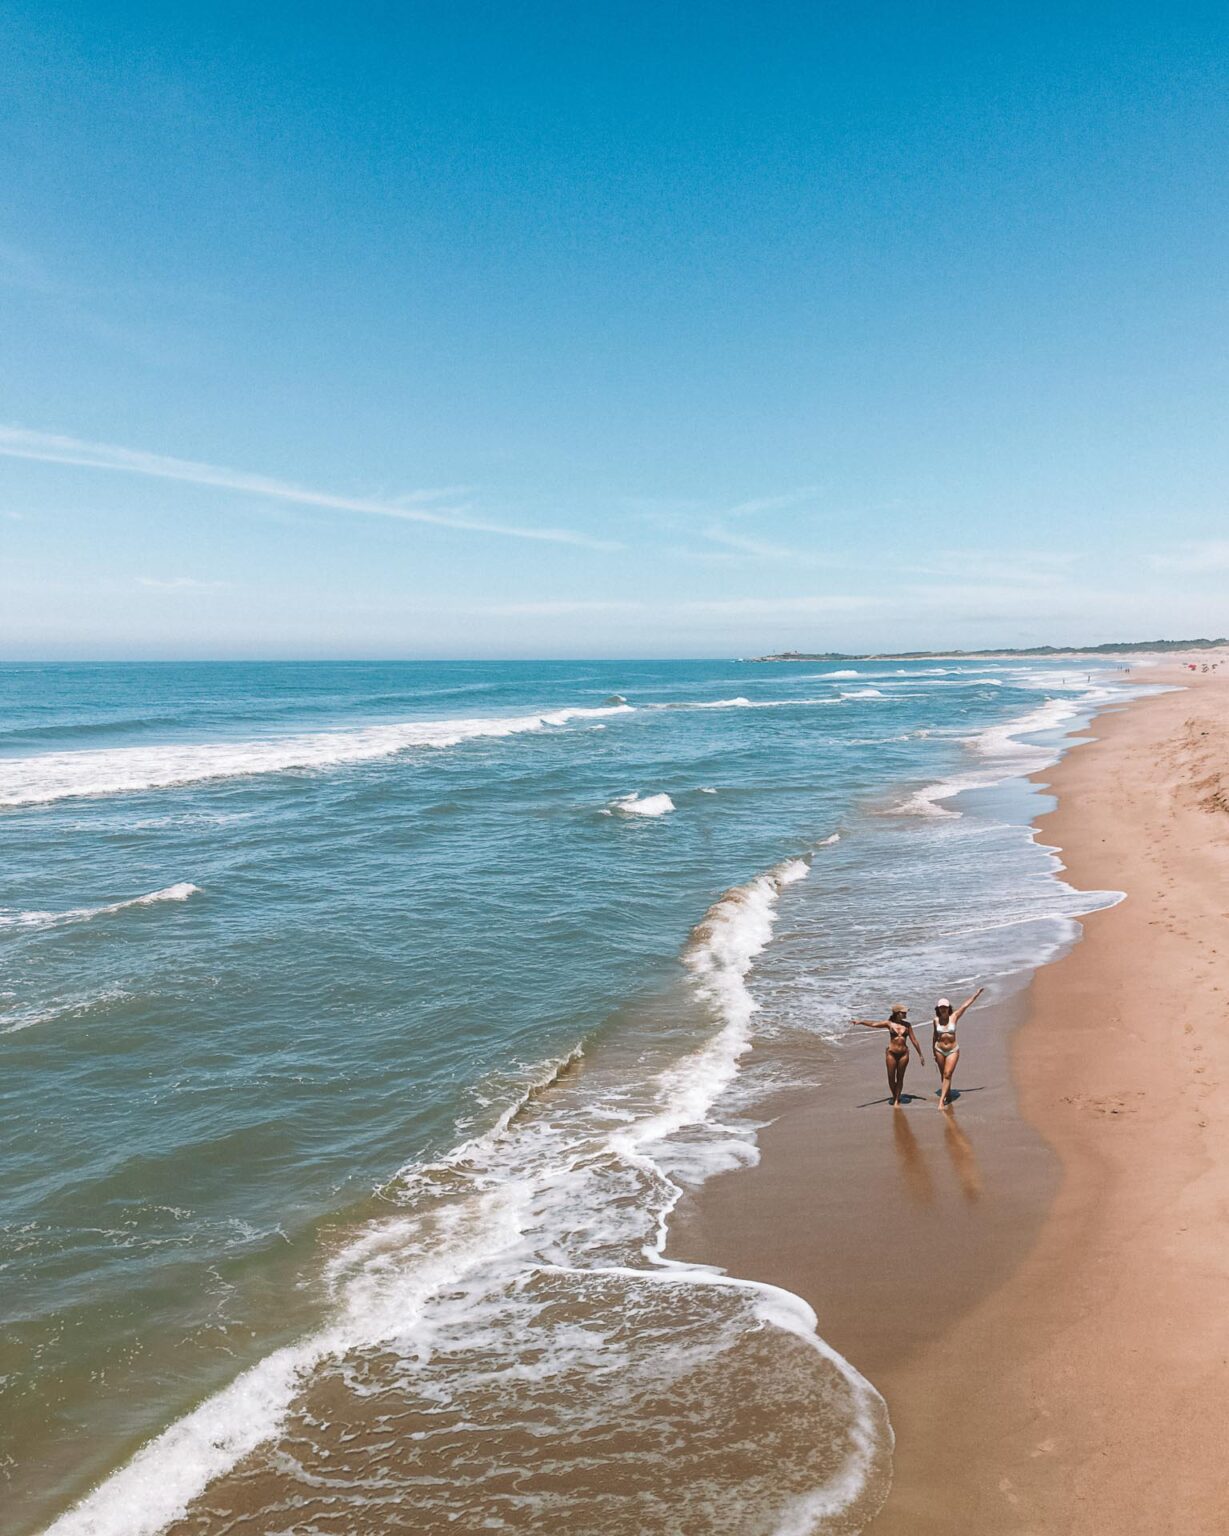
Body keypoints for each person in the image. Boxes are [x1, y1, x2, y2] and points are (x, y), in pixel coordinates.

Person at [853, 1003, 923, 1106]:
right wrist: (861, 1022)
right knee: (891, 1077)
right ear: (897, 1013)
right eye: (903, 1012)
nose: (905, 1014)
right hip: (891, 1053)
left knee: (900, 1077)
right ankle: (895, 1096)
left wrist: (920, 1054)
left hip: (904, 1054)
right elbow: (873, 1024)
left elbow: (914, 1040)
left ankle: (896, 1100)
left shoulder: (907, 1025)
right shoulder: (889, 1024)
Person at [931, 987, 985, 1108]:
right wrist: (933, 1052)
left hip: (952, 1050)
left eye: (945, 1007)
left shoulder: (954, 1017)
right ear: (938, 1009)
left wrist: (976, 994)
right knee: (943, 1075)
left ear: (948, 1008)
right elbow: (934, 1036)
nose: (943, 1009)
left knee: (947, 1073)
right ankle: (948, 1094)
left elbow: (965, 1006)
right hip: (939, 1050)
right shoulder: (935, 1020)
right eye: (941, 1007)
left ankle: (941, 1102)